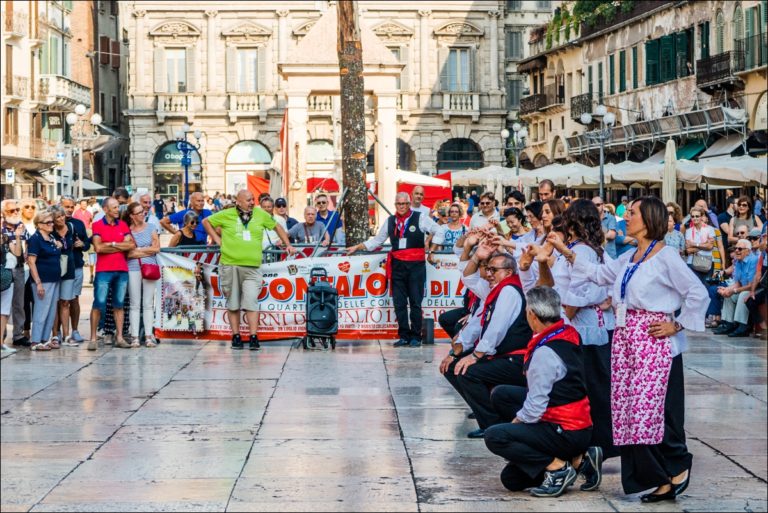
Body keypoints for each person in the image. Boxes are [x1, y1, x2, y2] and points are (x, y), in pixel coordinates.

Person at [561, 196, 708, 502]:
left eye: (632, 213)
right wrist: (565, 253)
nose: (626, 217)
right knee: (631, 412)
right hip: (628, 341)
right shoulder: (630, 256)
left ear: (648, 219)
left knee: (656, 411)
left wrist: (677, 324)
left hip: (654, 342)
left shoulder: (666, 256)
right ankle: (658, 478)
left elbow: (696, 292)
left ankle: (677, 465)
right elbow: (600, 275)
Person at [535, 199, 617, 489]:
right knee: (594, 388)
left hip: (582, 330)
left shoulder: (581, 250)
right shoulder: (594, 249)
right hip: (593, 327)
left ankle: (589, 450)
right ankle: (590, 451)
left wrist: (566, 315)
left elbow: (576, 291)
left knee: (586, 391)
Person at [484, 286, 593, 498]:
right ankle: (580, 459)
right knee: (512, 479)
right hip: (577, 422)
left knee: (495, 436)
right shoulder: (566, 331)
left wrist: (513, 426)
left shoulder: (545, 353)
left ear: (531, 314)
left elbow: (534, 409)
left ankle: (558, 468)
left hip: (566, 429)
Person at [445, 243, 532, 438]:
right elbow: (470, 281)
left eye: (494, 270)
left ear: (509, 272)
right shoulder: (497, 289)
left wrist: (475, 356)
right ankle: (485, 412)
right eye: (488, 269)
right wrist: (457, 351)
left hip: (517, 360)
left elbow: (496, 329)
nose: (488, 274)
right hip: (503, 355)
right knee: (453, 367)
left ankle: (492, 423)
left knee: (468, 372)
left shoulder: (509, 290)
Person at [347, 192, 445, 347]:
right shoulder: (390, 221)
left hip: (416, 266)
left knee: (415, 302)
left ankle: (416, 336)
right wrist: (357, 247)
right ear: (395, 205)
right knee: (398, 303)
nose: (401, 207)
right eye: (398, 204)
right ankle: (404, 335)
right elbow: (377, 241)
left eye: (404, 204)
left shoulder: (420, 217)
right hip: (398, 266)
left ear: (408, 204)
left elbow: (439, 231)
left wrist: (432, 251)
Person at [203, 189, 295, 350]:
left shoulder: (260, 214)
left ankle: (253, 336)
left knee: (251, 301)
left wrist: (288, 244)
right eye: (248, 200)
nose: (252, 202)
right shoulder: (227, 214)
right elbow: (206, 222)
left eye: (253, 199)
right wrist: (217, 240)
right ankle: (236, 336)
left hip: (252, 267)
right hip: (230, 265)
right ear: (238, 201)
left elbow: (277, 227)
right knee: (233, 302)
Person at [87, 197, 135, 351]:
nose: (117, 209)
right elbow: (98, 248)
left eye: (118, 206)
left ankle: (119, 337)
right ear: (105, 209)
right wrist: (120, 246)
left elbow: (131, 245)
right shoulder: (97, 225)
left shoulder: (123, 224)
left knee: (119, 305)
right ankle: (93, 338)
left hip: (121, 270)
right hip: (103, 270)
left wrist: (112, 244)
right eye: (114, 207)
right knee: (98, 304)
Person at [123, 202, 161, 348]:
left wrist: (139, 249)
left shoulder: (151, 227)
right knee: (134, 303)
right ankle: (134, 337)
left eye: (143, 211)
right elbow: (129, 253)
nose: (143, 214)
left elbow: (156, 248)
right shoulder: (128, 231)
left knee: (148, 303)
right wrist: (147, 249)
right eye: (139, 212)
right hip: (133, 268)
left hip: (150, 266)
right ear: (132, 216)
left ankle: (148, 336)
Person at [26, 210, 63, 351]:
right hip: (43, 280)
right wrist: (38, 282)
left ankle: (44, 339)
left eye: (51, 221)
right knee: (41, 310)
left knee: (51, 311)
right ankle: (35, 341)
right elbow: (31, 261)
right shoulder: (36, 239)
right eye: (48, 222)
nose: (51, 224)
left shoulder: (51, 237)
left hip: (54, 278)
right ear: (39, 224)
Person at [59, 196, 90, 345]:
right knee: (60, 300)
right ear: (60, 206)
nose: (69, 209)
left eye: (72, 207)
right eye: (66, 206)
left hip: (76, 264)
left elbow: (87, 244)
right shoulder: (54, 222)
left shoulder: (78, 223)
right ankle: (57, 332)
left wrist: (82, 244)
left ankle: (75, 330)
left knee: (74, 299)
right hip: (59, 267)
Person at [713, 238, 759, 338]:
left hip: (754, 289)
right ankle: (728, 324)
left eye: (740, 249)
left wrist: (734, 290)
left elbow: (751, 285)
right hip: (743, 287)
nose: (736, 251)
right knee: (728, 295)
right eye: (736, 248)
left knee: (742, 294)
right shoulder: (738, 261)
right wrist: (728, 290)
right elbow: (738, 282)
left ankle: (743, 326)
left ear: (748, 251)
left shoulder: (753, 260)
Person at [1, 200, 29, 347]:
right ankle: (2, 335)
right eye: (12, 210)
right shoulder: (1, 228)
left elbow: (28, 243)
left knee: (19, 303)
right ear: (4, 213)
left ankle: (18, 335)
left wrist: (28, 252)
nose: (17, 212)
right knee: (3, 304)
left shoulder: (22, 227)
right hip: (4, 269)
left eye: (18, 209)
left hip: (18, 268)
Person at [49, 206, 76, 347]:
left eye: (62, 216)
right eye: (57, 217)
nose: (61, 219)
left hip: (69, 266)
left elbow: (75, 244)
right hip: (54, 267)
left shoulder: (71, 227)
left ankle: (66, 335)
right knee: (54, 302)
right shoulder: (50, 231)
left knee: (66, 301)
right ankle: (54, 335)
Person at [1, 223, 22, 353]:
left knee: (4, 311)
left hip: (7, 279)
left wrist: (18, 237)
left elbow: (18, 253)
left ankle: (1, 343)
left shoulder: (6, 238)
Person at [684, 206, 715, 283]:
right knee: (694, 287)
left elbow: (710, 246)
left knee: (706, 287)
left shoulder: (710, 229)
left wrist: (694, 244)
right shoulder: (688, 231)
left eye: (697, 216)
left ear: (702, 217)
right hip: (692, 262)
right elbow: (688, 250)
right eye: (692, 216)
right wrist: (705, 245)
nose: (695, 218)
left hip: (707, 262)